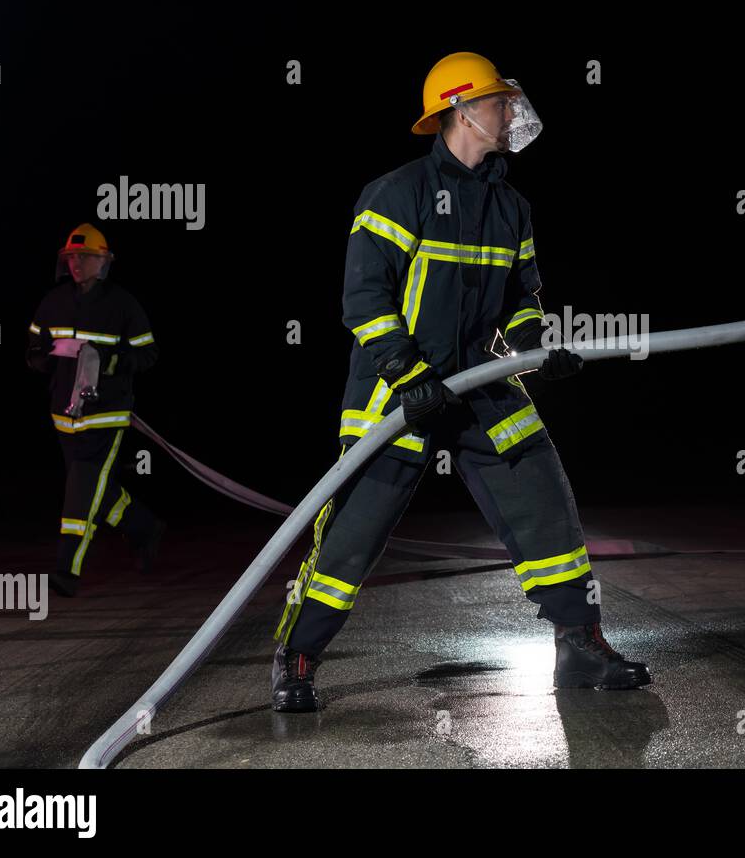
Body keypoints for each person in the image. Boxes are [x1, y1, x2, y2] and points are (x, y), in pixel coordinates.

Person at [271, 51, 651, 712]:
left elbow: (520, 297)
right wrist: (408, 375)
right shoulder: (396, 193)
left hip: (478, 380)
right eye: (501, 102)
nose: (512, 112)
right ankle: (297, 655)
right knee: (352, 532)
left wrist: (535, 344)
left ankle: (579, 646)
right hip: (396, 391)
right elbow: (364, 300)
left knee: (542, 489)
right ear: (461, 108)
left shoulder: (511, 207)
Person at [26, 223, 165, 597]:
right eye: (72, 257)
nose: (77, 263)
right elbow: (34, 348)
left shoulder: (122, 303)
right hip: (63, 417)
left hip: (106, 414)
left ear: (102, 262)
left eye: (85, 257)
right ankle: (143, 526)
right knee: (93, 489)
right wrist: (40, 359)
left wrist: (111, 361)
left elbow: (148, 353)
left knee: (82, 487)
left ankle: (67, 569)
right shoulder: (52, 302)